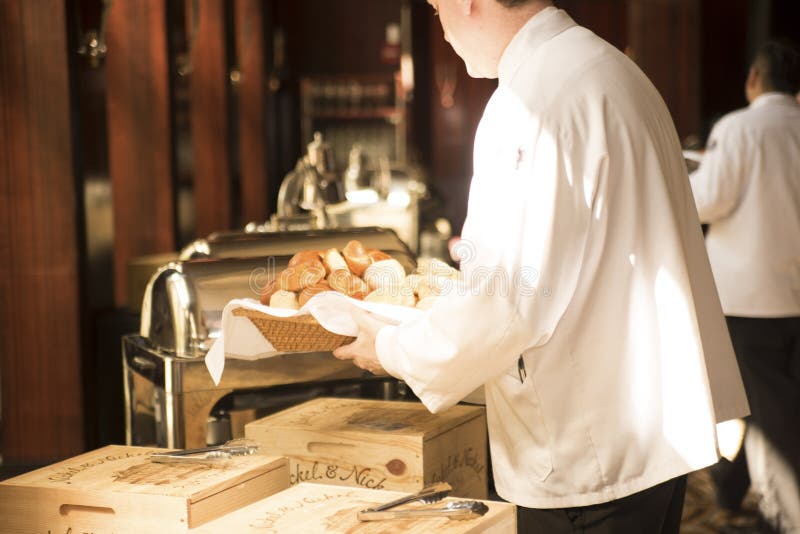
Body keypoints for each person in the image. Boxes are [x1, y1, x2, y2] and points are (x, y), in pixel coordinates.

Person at [334, 1, 750, 531]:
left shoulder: (532, 101)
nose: (443, 30)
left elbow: (507, 300)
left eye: (437, 9)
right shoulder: (612, 69)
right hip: (646, 424)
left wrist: (392, 347)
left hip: (587, 451)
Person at [689, 39, 800, 533]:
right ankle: (730, 488)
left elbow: (708, 200)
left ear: (754, 78)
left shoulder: (737, 128)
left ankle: (784, 519)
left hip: (751, 298)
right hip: (793, 292)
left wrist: (686, 175)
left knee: (772, 417)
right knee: (772, 405)